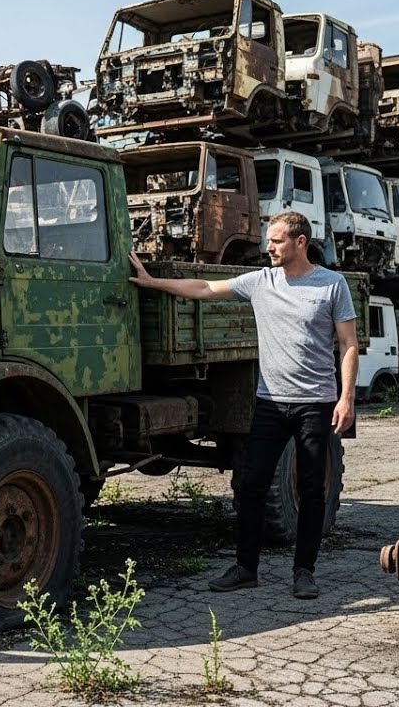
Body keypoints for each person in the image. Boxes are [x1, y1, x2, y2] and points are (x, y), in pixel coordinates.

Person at [128, 211, 359, 599]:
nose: (269, 247)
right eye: (269, 240)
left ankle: (304, 571)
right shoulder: (260, 282)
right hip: (270, 402)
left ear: (300, 242)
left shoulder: (332, 285)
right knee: (250, 485)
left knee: (311, 489)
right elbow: (204, 288)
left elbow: (349, 345)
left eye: (277, 241)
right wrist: (153, 282)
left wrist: (346, 397)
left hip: (314, 403)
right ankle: (245, 568)